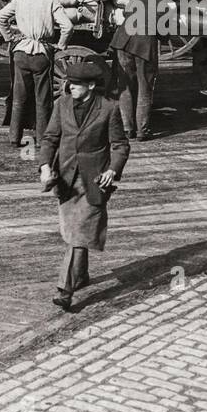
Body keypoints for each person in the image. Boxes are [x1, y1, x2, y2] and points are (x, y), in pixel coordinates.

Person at [39, 60, 130, 311]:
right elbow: (50, 138)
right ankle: (82, 275)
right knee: (73, 231)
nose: (70, 88)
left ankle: (65, 290)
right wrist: (45, 165)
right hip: (67, 179)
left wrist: (113, 170)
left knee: (79, 233)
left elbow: (120, 145)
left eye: (76, 85)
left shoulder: (109, 108)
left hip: (95, 181)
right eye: (68, 83)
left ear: (90, 85)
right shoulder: (62, 104)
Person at [0, 0, 73, 148]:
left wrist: (9, 37)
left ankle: (14, 137)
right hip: (41, 54)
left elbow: (0, 18)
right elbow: (68, 26)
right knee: (43, 98)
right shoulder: (51, 1)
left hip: (21, 52)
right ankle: (41, 139)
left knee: (19, 96)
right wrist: (61, 44)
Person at [110, 0, 179, 139]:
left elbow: (126, 13)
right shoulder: (166, 7)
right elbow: (162, 35)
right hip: (144, 47)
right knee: (145, 88)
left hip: (123, 41)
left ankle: (127, 128)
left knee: (125, 86)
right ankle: (142, 131)